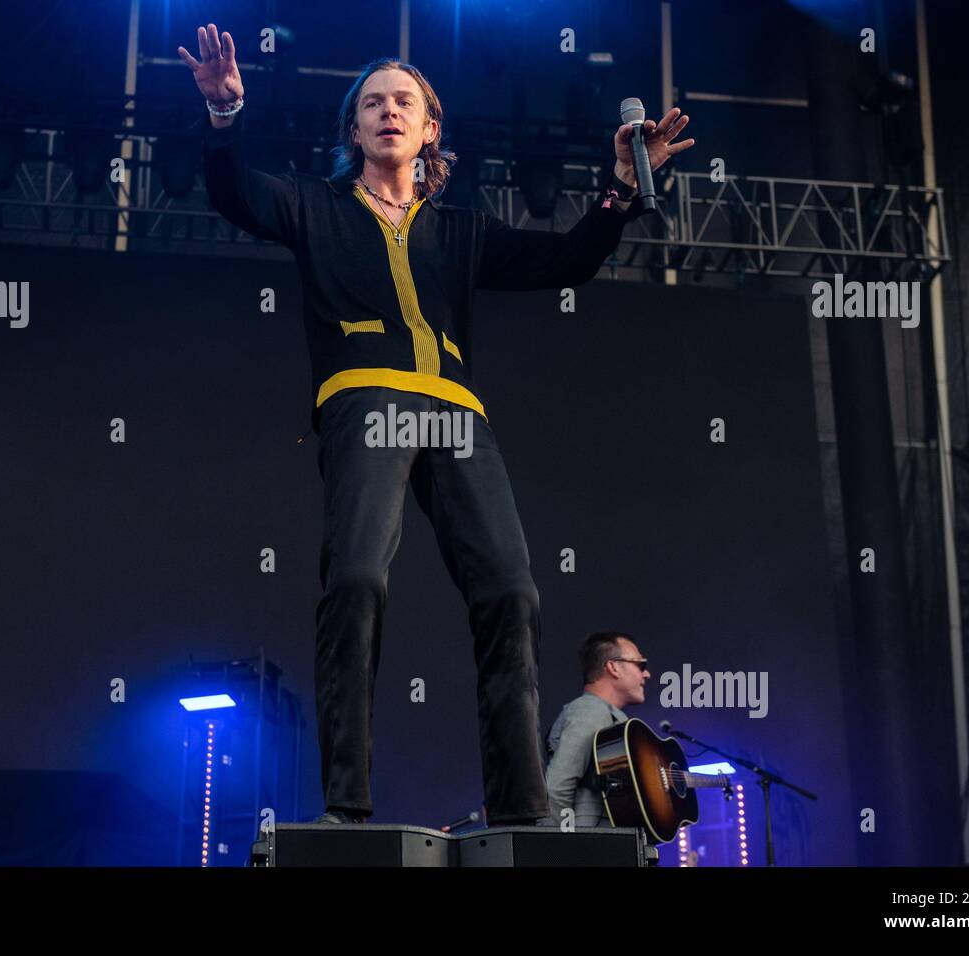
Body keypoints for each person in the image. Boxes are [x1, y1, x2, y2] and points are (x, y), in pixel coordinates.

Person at [178, 24, 693, 826]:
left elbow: (565, 261)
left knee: (512, 596)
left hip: (458, 416)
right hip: (365, 400)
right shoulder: (316, 206)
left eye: (404, 102)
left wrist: (619, 189)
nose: (389, 112)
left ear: (430, 129)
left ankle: (521, 808)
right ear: (353, 129)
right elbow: (234, 190)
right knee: (354, 579)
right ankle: (347, 804)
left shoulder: (462, 228)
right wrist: (224, 113)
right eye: (373, 103)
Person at [543, 631, 651, 827]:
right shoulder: (590, 710)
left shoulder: (610, 719)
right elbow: (557, 787)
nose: (646, 673)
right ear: (614, 667)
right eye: (640, 664)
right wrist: (556, 850)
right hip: (592, 850)